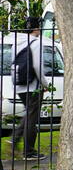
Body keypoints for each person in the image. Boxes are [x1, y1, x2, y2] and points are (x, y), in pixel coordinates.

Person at [10, 19, 48, 160]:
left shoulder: (16, 42)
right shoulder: (36, 43)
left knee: (29, 115)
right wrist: (45, 85)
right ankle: (29, 152)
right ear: (36, 29)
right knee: (32, 118)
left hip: (20, 84)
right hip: (33, 86)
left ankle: (15, 138)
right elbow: (38, 67)